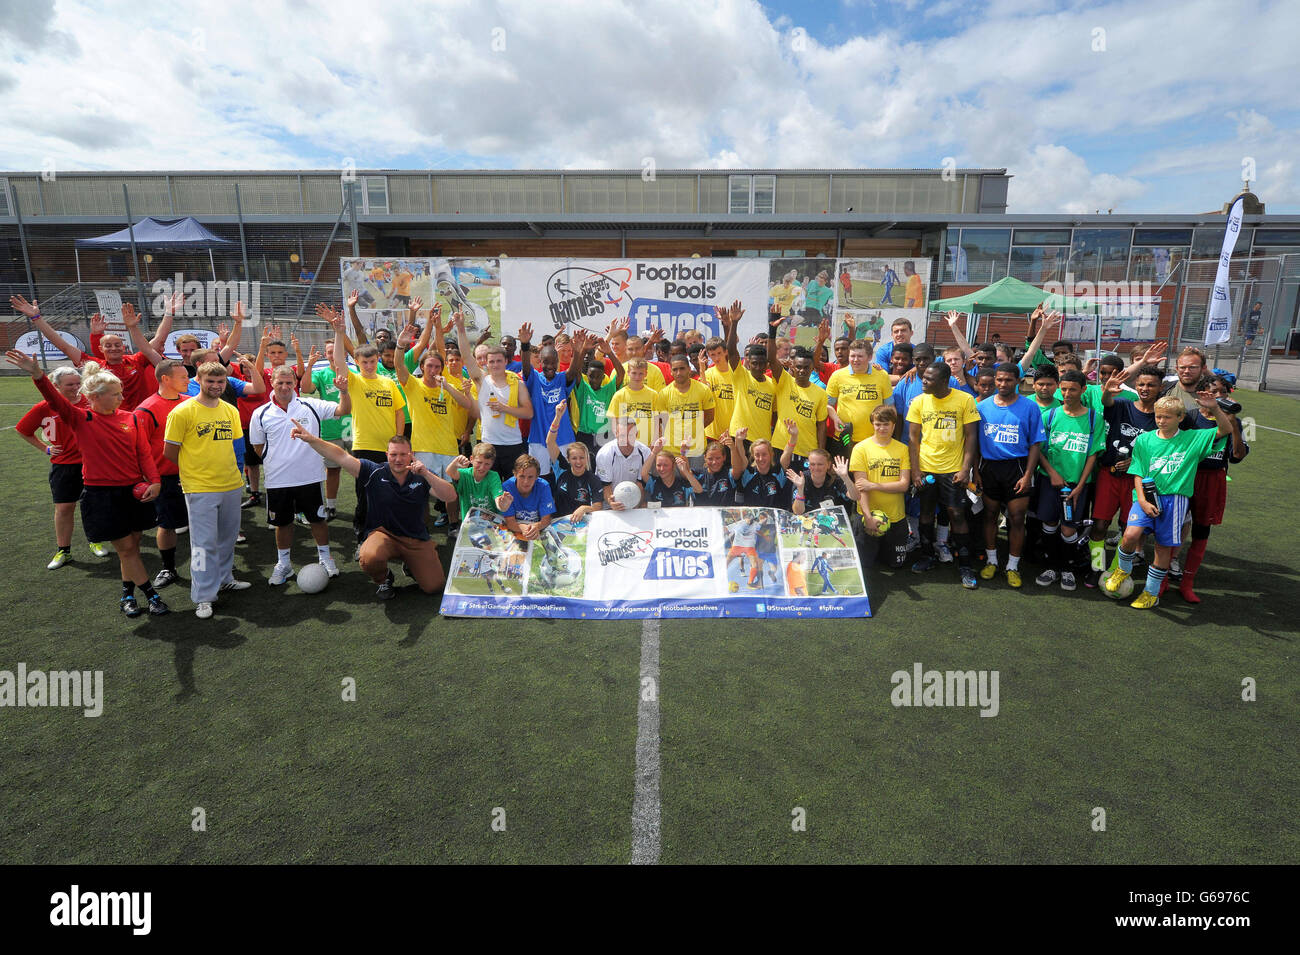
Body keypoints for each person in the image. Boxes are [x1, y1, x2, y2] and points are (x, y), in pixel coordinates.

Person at [8, 351, 167, 616]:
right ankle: (151, 595)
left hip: (135, 492)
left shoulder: (132, 417)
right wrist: (38, 375)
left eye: (120, 393)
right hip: (101, 495)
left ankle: (127, 594)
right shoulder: (82, 418)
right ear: (94, 397)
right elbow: (55, 401)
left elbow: (143, 454)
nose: (121, 398)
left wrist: (155, 481)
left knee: (133, 547)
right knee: (126, 548)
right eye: (115, 394)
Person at [1105, 392, 1233, 609]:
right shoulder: (1145, 440)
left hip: (1175, 500)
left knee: (1163, 548)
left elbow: (1226, 429)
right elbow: (1137, 472)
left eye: (1167, 417)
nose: (1161, 421)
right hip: (1145, 496)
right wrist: (1143, 501)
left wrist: (1215, 408)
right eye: (1158, 416)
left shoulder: (1192, 438)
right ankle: (1122, 570)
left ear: (1180, 418)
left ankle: (1150, 593)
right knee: (1130, 535)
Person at [296, 430, 457, 599]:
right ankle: (384, 579)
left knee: (434, 586)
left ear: (411, 455)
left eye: (403, 454)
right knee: (369, 557)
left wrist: (426, 474)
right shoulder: (374, 471)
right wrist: (311, 439)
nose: (398, 459)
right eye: (393, 454)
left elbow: (450, 496)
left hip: (415, 537)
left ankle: (411, 564)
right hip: (383, 534)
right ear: (387, 454)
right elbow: (340, 456)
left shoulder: (422, 474)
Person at [164, 362, 252, 618]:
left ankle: (225, 578)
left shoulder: (229, 410)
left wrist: (236, 473)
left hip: (231, 484)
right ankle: (203, 595)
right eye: (210, 381)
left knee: (227, 537)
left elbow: (237, 447)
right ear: (199, 381)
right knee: (203, 544)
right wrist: (192, 472)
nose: (215, 386)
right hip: (200, 486)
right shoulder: (182, 412)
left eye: (220, 382)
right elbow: (170, 452)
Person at [249, 365, 351, 585]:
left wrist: (344, 391)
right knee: (282, 523)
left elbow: (343, 410)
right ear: (272, 383)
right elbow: (258, 446)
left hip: (311, 477)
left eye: (289, 383)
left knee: (317, 519)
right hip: (278, 480)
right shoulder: (261, 413)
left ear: (295, 383)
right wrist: (278, 460)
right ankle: (284, 564)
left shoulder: (311, 405)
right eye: (280, 383)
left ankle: (325, 557)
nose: (285, 387)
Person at [14, 365, 111, 569]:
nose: (75, 387)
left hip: (92, 463)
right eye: (69, 384)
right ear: (56, 386)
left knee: (92, 505)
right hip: (63, 466)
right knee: (64, 508)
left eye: (78, 383)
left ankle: (95, 540)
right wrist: (46, 449)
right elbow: (23, 429)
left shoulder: (90, 402)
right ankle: (63, 550)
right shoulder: (44, 407)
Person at [327, 309, 407, 546]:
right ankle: (362, 535)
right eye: (365, 362)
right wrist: (339, 333)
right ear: (358, 363)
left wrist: (400, 439)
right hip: (364, 447)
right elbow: (340, 363)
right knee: (365, 494)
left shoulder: (387, 382)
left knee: (390, 493)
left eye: (373, 361)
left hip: (389, 449)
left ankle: (389, 532)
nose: (370, 365)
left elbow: (398, 412)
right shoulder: (355, 380)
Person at [906, 360, 981, 587]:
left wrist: (965, 467)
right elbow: (912, 439)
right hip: (927, 468)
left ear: (944, 381)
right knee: (926, 513)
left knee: (956, 514)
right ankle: (927, 556)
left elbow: (971, 437)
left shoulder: (964, 399)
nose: (923, 382)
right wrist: (916, 471)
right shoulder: (919, 401)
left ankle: (965, 565)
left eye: (929, 379)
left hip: (953, 470)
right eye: (923, 377)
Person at [12, 296, 159, 411]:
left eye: (117, 345)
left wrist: (132, 327)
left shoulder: (136, 360)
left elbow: (155, 344)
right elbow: (64, 346)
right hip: (109, 420)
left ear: (124, 347)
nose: (113, 348)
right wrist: (36, 318)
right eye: (108, 345)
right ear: (101, 349)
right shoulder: (95, 365)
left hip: (140, 417)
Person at [1177, 374, 1248, 603]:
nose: (1219, 397)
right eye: (1213, 392)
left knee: (1201, 530)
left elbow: (1237, 456)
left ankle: (1187, 584)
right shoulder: (1190, 418)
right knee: (1172, 526)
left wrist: (1234, 426)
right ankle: (1164, 578)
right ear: (1201, 395)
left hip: (1213, 479)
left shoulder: (1235, 421)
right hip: (1187, 477)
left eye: (1222, 392)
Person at [1033, 369, 1106, 590]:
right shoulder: (1050, 415)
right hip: (1050, 481)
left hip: (1077, 485)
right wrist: (1052, 473)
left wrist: (1082, 485)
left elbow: (1093, 454)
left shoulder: (1094, 417)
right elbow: (1038, 449)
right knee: (1049, 523)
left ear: (1083, 389)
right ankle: (1052, 567)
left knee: (1068, 529)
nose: (1067, 393)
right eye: (1063, 389)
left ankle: (1068, 569)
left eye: (1072, 389)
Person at [1089, 365, 1161, 582]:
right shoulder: (1123, 405)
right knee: (1100, 524)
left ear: (1160, 387)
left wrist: (1135, 461)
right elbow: (1106, 403)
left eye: (1151, 385)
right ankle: (1096, 567)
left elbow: (1164, 449)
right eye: (1141, 384)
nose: (1145, 388)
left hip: (1137, 482)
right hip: (1109, 475)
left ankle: (1113, 570)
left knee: (1128, 528)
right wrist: (1108, 391)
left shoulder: (1162, 415)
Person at [975, 362, 1045, 587]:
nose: (1003, 384)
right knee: (990, 515)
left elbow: (1036, 443)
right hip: (989, 468)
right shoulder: (982, 407)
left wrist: (1027, 475)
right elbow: (974, 444)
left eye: (1008, 380)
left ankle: (1013, 566)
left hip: (1017, 468)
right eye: (999, 379)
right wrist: (975, 472)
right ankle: (992, 561)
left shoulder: (1029, 407)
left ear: (1018, 381)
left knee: (1016, 518)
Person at [395, 343, 478, 527]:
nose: (433, 370)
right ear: (422, 366)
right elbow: (399, 366)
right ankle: (422, 528)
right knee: (422, 490)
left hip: (448, 447)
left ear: (442, 368)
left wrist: (447, 387)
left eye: (437, 366)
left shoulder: (448, 387)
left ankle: (453, 524)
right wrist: (401, 345)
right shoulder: (413, 385)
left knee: (452, 490)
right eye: (429, 366)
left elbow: (467, 405)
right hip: (423, 448)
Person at [134, 358, 194, 588]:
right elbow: (139, 448)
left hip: (195, 474)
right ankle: (168, 568)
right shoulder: (146, 409)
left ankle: (216, 566)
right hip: (165, 477)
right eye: (183, 377)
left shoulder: (191, 402)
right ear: (165, 379)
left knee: (202, 523)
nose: (188, 379)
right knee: (167, 524)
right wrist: (151, 478)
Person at [456, 313, 532, 481]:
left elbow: (528, 413)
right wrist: (461, 328)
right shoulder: (482, 380)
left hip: (513, 444)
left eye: (498, 361)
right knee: (488, 489)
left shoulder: (517, 383)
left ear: (506, 361)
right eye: (491, 362)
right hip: (488, 444)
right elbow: (467, 357)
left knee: (514, 487)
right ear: (486, 364)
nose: (495, 365)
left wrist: (504, 408)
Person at [518, 323, 588, 468]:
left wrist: (577, 351)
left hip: (563, 438)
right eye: (545, 362)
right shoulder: (535, 379)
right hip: (538, 438)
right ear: (540, 362)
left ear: (557, 362)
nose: (549, 366)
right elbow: (525, 367)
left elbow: (574, 371)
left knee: (565, 478)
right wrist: (524, 344)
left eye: (553, 362)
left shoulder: (562, 379)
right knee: (538, 478)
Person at [848, 406, 911, 569]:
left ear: (894, 425)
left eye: (886, 424)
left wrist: (874, 485)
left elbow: (904, 485)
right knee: (865, 565)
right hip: (868, 517)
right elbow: (862, 488)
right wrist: (868, 518)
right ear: (872, 424)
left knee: (896, 564)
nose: (881, 428)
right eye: (877, 424)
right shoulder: (860, 449)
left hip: (895, 517)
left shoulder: (902, 449)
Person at [767, 317, 827, 472]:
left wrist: (821, 453)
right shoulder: (784, 381)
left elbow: (821, 426)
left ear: (812, 367)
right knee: (780, 493)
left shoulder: (820, 393)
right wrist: (772, 332)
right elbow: (771, 359)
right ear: (792, 366)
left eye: (806, 367)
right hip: (780, 447)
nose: (802, 370)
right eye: (798, 366)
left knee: (801, 494)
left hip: (807, 451)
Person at [718, 302, 776, 448]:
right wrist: (734, 323)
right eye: (754, 363)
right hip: (738, 438)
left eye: (761, 363)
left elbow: (774, 414)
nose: (757, 367)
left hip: (763, 442)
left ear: (767, 364)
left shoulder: (772, 384)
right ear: (748, 362)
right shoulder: (741, 376)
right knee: (736, 472)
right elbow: (731, 351)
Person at [545, 406, 604, 523]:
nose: (578, 462)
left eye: (582, 458)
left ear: (587, 458)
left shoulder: (593, 479)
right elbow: (549, 442)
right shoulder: (561, 469)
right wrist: (557, 417)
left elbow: (598, 507)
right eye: (574, 458)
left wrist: (584, 508)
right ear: (568, 459)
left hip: (582, 524)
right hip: (559, 522)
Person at [658, 353, 716, 468]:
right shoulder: (664, 394)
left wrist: (696, 430)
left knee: (696, 482)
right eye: (675, 369)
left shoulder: (703, 389)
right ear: (671, 372)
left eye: (682, 368)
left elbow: (710, 417)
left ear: (689, 369)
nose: (679, 373)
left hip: (696, 449)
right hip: (672, 450)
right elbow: (661, 421)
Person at [496, 454, 556, 542]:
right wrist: (523, 528)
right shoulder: (507, 487)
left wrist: (536, 527)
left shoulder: (543, 486)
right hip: (516, 530)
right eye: (522, 476)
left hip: (537, 529)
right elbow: (510, 522)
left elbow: (546, 519)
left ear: (537, 476)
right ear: (515, 474)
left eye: (530, 477)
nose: (526, 482)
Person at [595, 418, 651, 510]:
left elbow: (640, 485)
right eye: (622, 436)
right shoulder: (604, 454)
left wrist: (634, 507)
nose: (626, 440)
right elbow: (606, 486)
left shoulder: (645, 452)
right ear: (616, 434)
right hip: (610, 505)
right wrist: (612, 503)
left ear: (636, 435)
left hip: (634, 503)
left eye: (630, 435)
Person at [730, 428, 791, 509]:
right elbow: (741, 456)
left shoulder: (777, 473)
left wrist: (793, 436)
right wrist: (738, 440)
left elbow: (787, 452)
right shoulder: (749, 473)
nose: (761, 458)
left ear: (771, 454)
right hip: (752, 520)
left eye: (764, 454)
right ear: (753, 456)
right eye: (757, 455)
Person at [447, 443, 505, 521]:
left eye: (487, 464)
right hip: (470, 523)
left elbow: (498, 498)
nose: (482, 467)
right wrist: (455, 463)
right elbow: (450, 472)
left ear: (492, 464)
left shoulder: (493, 476)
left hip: (491, 522)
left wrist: (502, 504)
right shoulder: (464, 474)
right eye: (479, 462)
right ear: (471, 459)